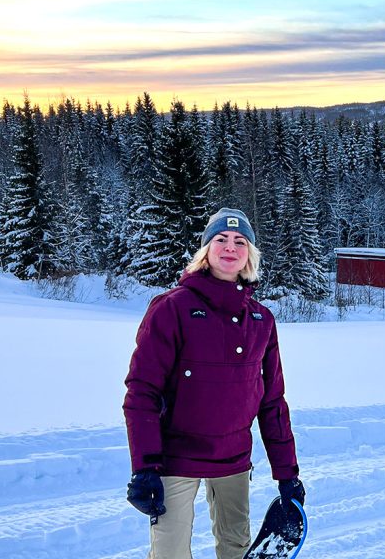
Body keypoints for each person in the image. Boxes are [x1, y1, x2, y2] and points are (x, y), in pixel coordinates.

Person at [123, 207, 304, 559]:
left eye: (240, 241)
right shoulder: (172, 308)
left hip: (233, 459)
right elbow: (142, 391)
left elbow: (272, 402)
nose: (230, 247)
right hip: (176, 459)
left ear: (250, 254)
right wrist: (144, 466)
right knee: (170, 554)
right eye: (221, 239)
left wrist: (287, 474)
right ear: (206, 250)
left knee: (236, 548)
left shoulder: (261, 319)